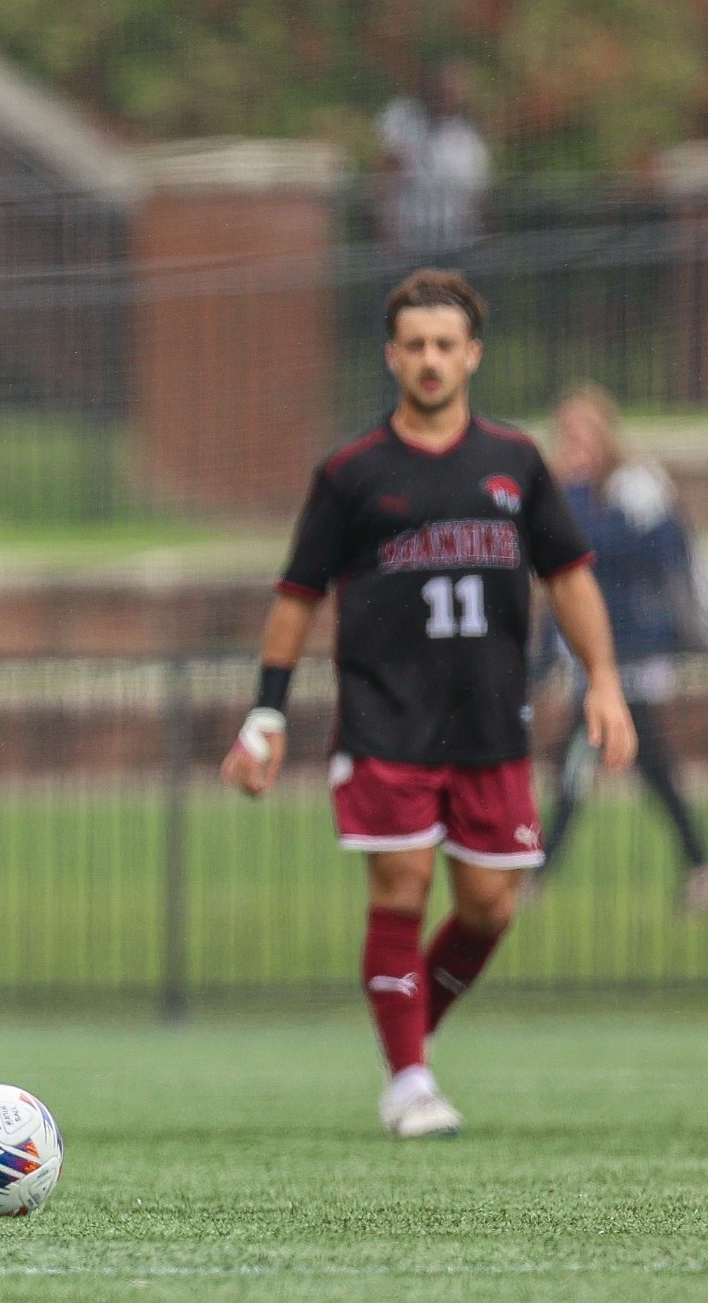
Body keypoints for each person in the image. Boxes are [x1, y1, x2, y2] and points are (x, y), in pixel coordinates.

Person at [222, 269, 636, 1139]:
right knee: (403, 883)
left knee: (490, 904)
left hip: (491, 722)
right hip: (386, 719)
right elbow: (297, 596)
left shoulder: (516, 463)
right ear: (392, 355)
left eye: (447, 344)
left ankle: (409, 1032)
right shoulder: (351, 473)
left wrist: (604, 680)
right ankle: (410, 1075)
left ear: (473, 354)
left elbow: (569, 579)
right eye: (415, 344)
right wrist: (265, 716)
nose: (431, 359)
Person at [537, 384, 708, 913]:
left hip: (633, 651)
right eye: (569, 435)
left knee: (589, 756)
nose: (577, 444)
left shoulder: (635, 488)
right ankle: (699, 866)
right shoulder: (567, 496)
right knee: (640, 763)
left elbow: (657, 553)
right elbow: (557, 577)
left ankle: (537, 876)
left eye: (586, 433)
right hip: (591, 653)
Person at [377, 58, 491, 261]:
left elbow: (478, 201)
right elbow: (384, 179)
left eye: (457, 88)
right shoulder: (404, 119)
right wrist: (385, 236)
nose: (450, 93)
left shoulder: (469, 140)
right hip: (408, 246)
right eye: (445, 85)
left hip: (455, 247)